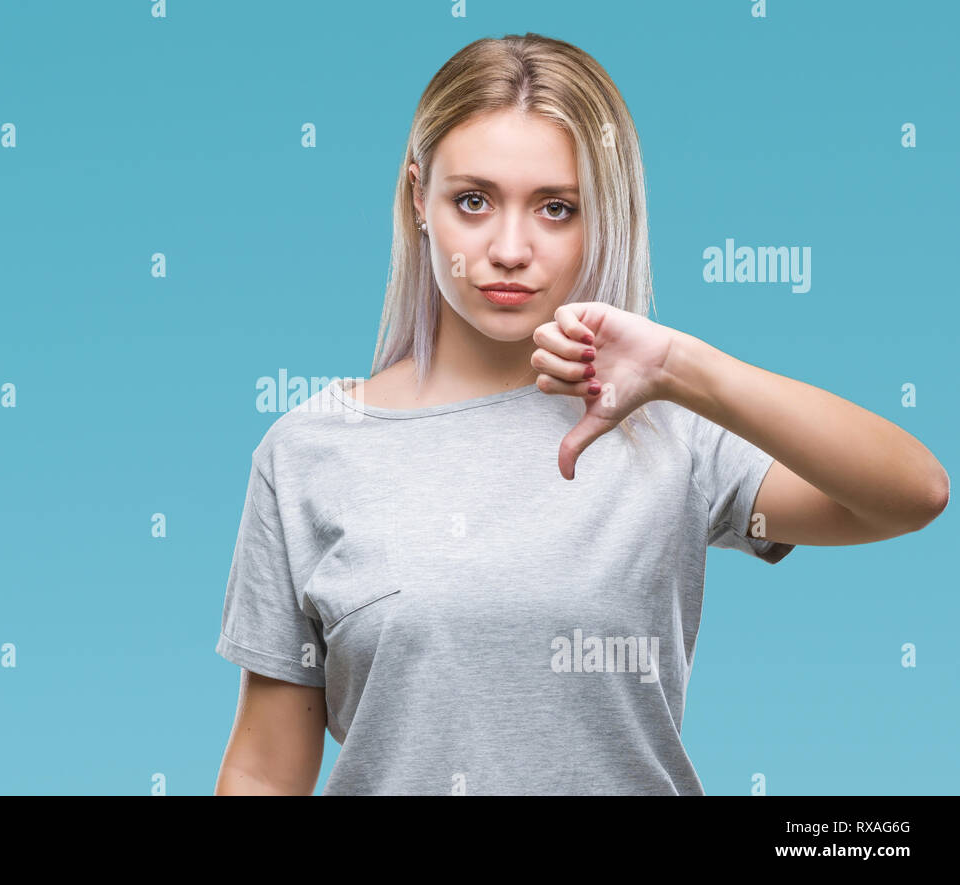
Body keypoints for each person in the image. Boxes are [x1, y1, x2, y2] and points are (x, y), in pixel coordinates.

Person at [212, 33, 949, 796]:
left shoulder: (670, 424)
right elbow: (266, 768)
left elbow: (911, 491)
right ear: (416, 198)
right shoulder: (307, 451)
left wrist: (682, 369)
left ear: (604, 216)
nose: (508, 247)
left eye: (556, 208)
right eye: (473, 200)